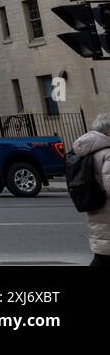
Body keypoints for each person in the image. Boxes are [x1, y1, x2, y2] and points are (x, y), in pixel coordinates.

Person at [72, 113, 110, 267]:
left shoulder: (89, 153)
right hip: (108, 212)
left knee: (102, 255)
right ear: (108, 133)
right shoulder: (107, 154)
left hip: (97, 210)